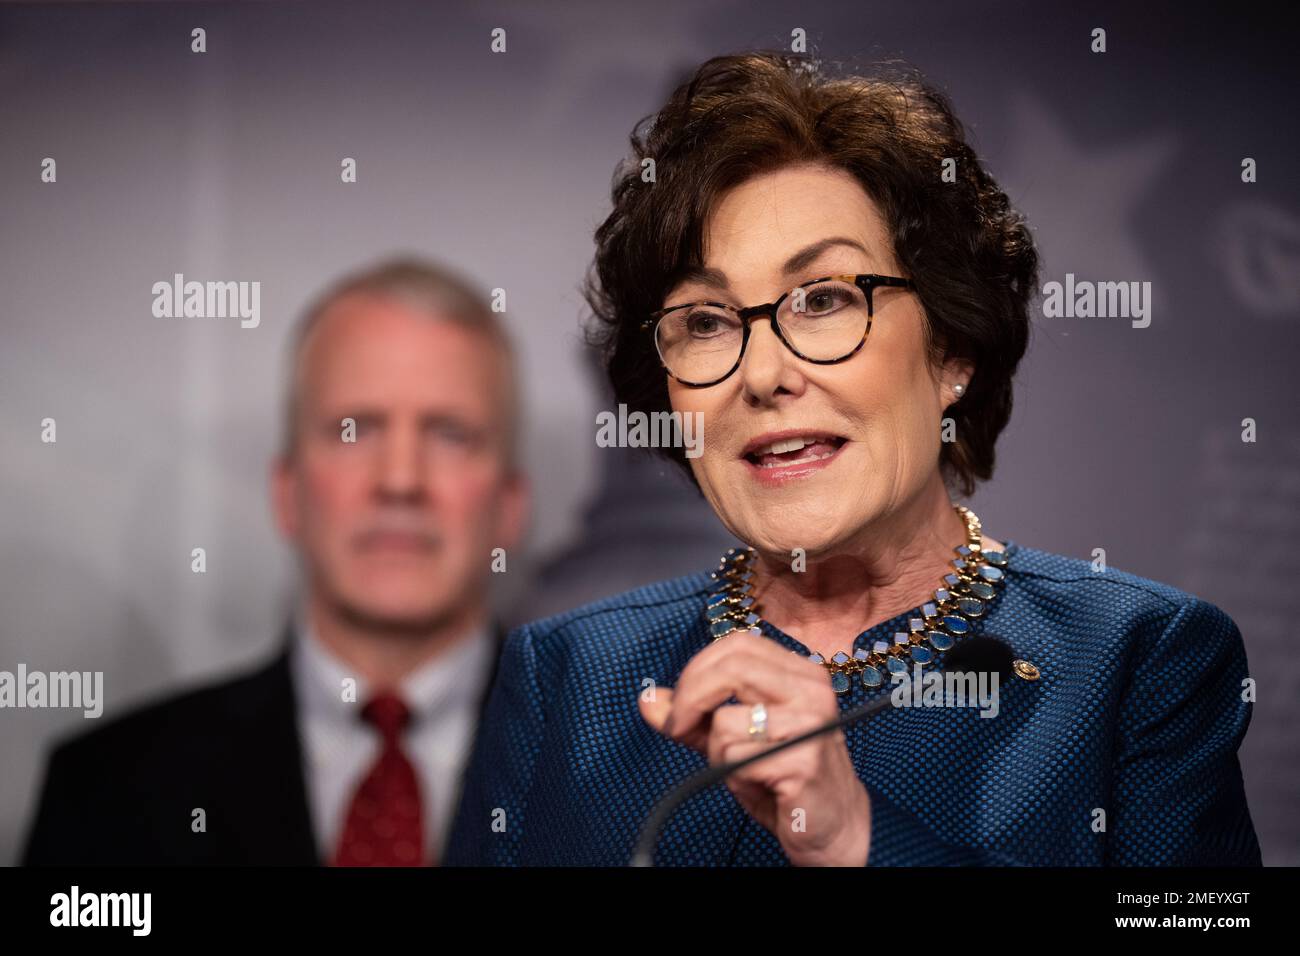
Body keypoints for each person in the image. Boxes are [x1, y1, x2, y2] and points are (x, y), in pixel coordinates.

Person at [444, 52, 1261, 866]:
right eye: (705, 322)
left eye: (825, 300)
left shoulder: (1139, 663)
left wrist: (855, 838)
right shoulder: (565, 677)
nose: (763, 374)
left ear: (952, 349)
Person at [24, 259, 528, 865]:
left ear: (508, 504)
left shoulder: (620, 781)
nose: (400, 479)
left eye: (449, 434)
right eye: (353, 429)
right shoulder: (105, 792)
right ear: (287, 491)